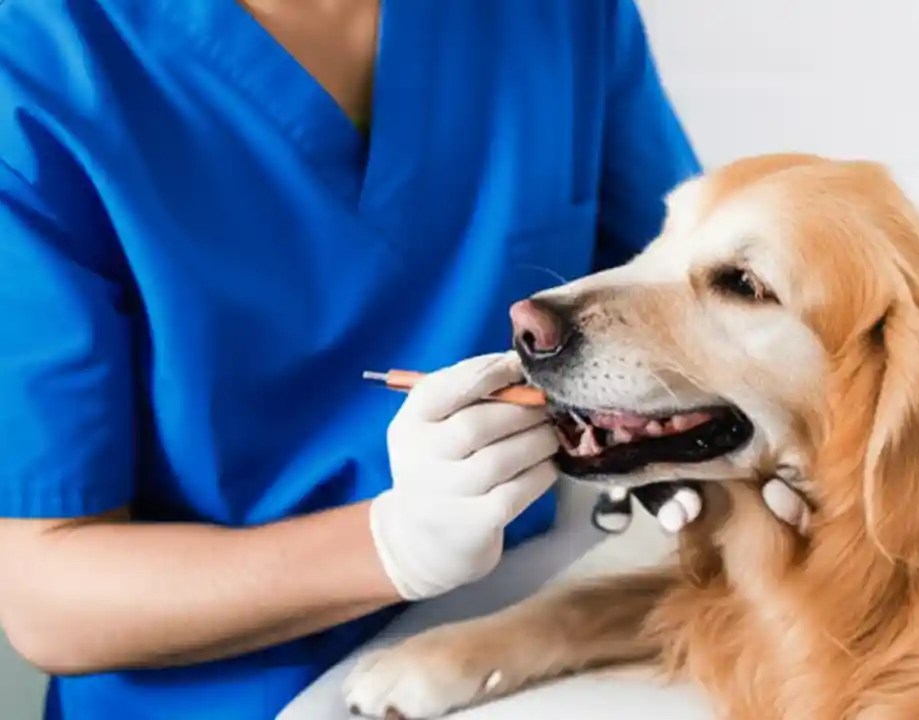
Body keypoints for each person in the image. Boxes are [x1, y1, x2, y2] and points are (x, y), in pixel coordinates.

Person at [0, 2, 806, 718]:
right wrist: (393, 543)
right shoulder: (36, 70)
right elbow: (44, 595)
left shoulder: (557, 16)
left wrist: (702, 424)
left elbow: (682, 299)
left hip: (521, 629)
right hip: (227, 692)